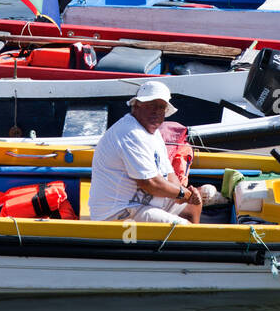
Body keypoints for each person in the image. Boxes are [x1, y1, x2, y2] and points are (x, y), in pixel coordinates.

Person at [88, 82, 207, 225]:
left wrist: (184, 195)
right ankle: (189, 244)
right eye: (151, 105)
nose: (156, 111)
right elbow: (149, 183)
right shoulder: (130, 133)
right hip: (119, 212)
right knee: (184, 228)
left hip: (144, 203)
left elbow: (169, 174)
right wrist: (183, 194)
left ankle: (187, 245)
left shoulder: (154, 133)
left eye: (161, 107)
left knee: (193, 206)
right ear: (137, 106)